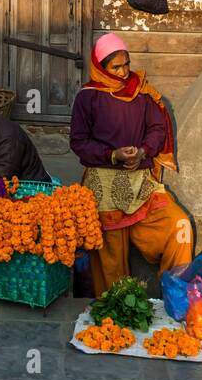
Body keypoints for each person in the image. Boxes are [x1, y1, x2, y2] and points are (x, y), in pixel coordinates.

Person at [69, 32, 193, 296]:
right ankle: (116, 309)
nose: (124, 72)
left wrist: (143, 151)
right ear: (100, 68)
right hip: (103, 184)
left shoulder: (141, 92)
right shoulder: (87, 97)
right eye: (116, 67)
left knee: (178, 223)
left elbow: (157, 128)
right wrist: (113, 155)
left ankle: (177, 294)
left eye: (126, 64)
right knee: (110, 254)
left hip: (141, 182)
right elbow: (79, 142)